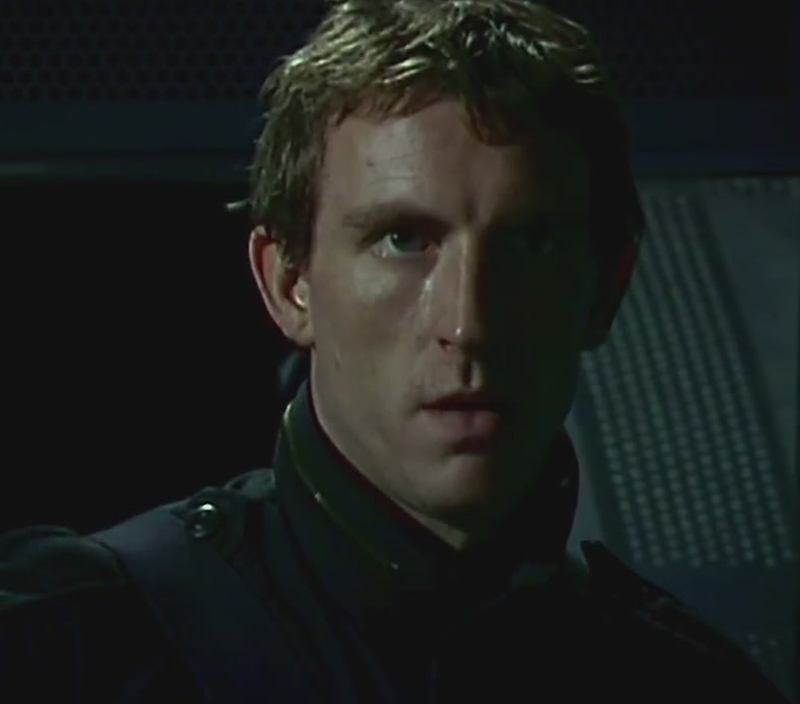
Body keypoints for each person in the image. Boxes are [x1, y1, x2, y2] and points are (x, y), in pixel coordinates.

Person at [0, 1, 791, 702]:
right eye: (402, 239)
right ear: (289, 283)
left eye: (532, 242)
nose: (468, 322)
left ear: (606, 290)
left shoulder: (691, 685)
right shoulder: (71, 649)